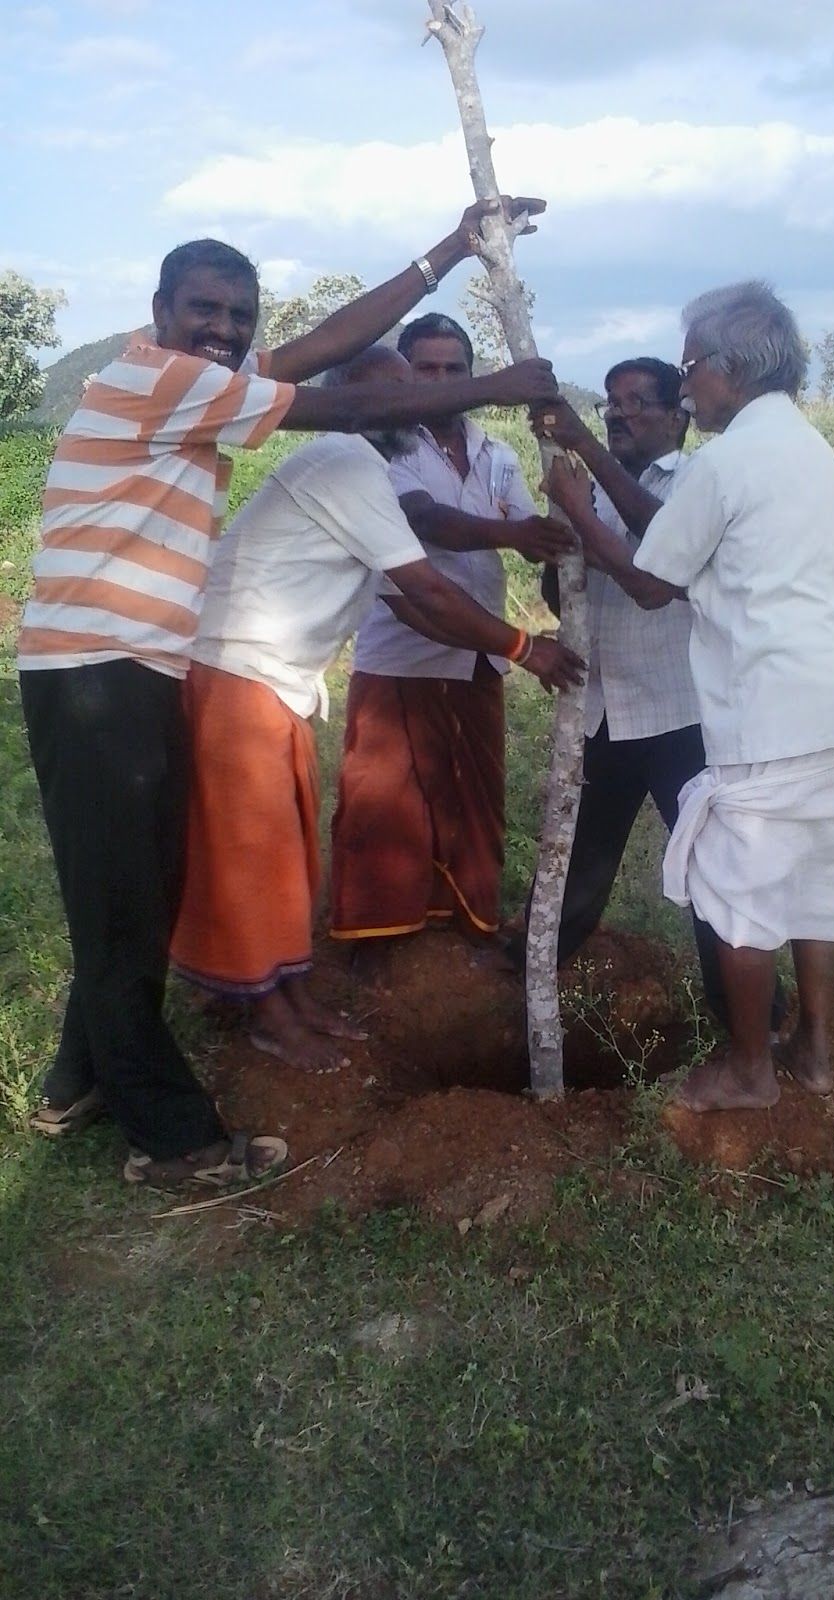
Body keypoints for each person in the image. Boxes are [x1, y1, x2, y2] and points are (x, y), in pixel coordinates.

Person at [19, 198, 559, 1188]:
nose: (224, 331)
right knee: (121, 903)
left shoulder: (204, 387)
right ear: (159, 309)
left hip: (145, 662)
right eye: (205, 309)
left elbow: (327, 348)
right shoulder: (162, 379)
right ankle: (170, 1137)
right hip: (97, 667)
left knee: (130, 892)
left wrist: (445, 248)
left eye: (240, 315)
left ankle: (73, 1083)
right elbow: (351, 397)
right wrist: (496, 383)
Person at [170, 344, 583, 1069]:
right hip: (235, 672)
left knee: (285, 854)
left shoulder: (360, 472)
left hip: (267, 678)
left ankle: (288, 998)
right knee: (254, 856)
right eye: (400, 393)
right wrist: (525, 648)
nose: (416, 406)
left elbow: (411, 604)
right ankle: (268, 1014)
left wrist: (511, 645)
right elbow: (426, 592)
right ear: (361, 402)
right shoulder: (349, 463)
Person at [547, 281, 834, 1112]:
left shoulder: (728, 459)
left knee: (739, 888)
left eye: (691, 365)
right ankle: (811, 1048)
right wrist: (594, 460)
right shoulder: (804, 446)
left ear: (731, 369)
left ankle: (746, 1071)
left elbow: (648, 579)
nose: (687, 382)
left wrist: (571, 511)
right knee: (817, 878)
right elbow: (669, 530)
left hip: (769, 710)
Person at [513, 359, 784, 1035]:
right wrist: (560, 543)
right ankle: (527, 971)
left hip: (678, 714)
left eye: (637, 402)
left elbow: (657, 566)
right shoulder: (595, 488)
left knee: (708, 868)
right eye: (610, 402)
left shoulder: (696, 480)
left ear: (677, 416)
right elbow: (562, 597)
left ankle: (750, 1019)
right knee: (582, 860)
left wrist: (582, 487)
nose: (619, 413)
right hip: (603, 706)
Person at [329, 314, 564, 968]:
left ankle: (468, 919)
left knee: (473, 794)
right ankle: (371, 935)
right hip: (402, 644)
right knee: (384, 796)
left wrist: (557, 528)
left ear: (470, 375)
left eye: (452, 370)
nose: (439, 382)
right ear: (404, 378)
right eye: (424, 371)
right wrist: (517, 536)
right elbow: (426, 520)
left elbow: (526, 526)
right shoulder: (388, 445)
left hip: (479, 647)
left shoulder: (498, 453)